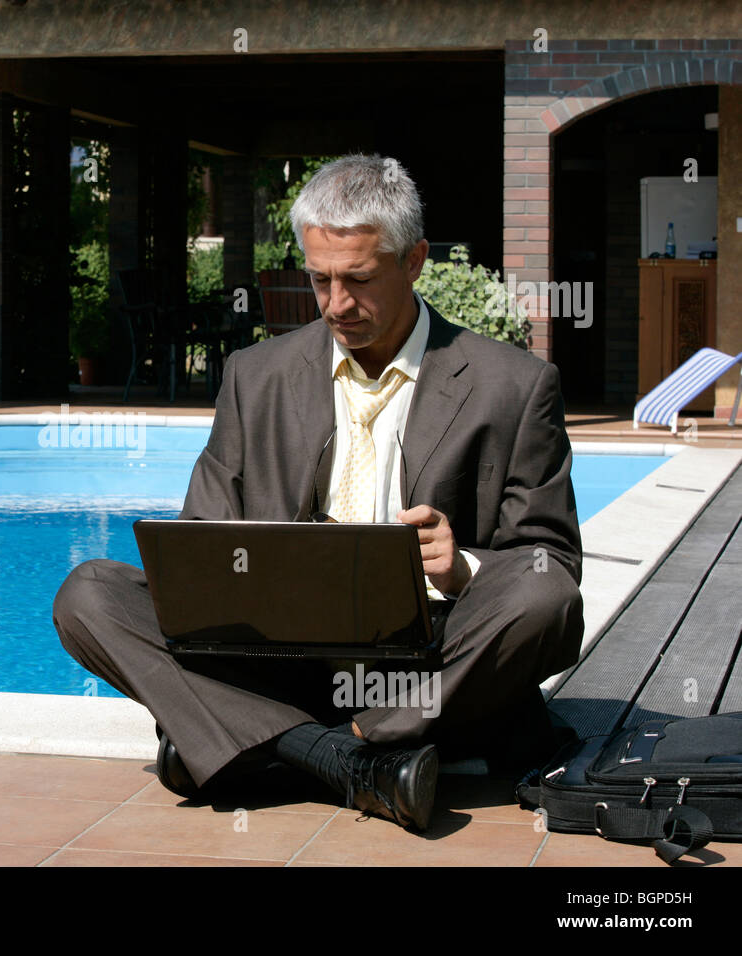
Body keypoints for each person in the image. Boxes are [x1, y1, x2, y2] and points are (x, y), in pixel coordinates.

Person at [52, 154, 584, 831]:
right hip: (273, 659)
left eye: (359, 280)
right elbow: (201, 540)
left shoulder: (513, 385)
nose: (336, 304)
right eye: (319, 279)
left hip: (423, 666)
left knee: (542, 597)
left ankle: (267, 745)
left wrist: (464, 568)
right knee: (87, 593)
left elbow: (552, 566)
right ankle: (348, 760)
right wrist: (230, 571)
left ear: (414, 260)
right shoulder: (254, 376)